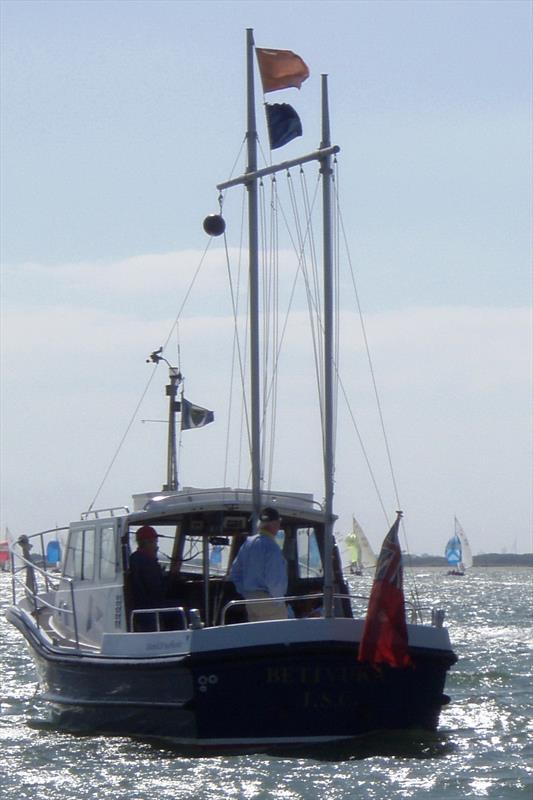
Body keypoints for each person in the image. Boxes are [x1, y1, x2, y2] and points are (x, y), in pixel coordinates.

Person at [229, 507, 288, 621]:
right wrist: (279, 601)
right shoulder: (272, 547)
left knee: (256, 635)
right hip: (269, 600)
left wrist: (246, 593)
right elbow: (274, 580)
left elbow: (235, 573)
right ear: (275, 524)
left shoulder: (248, 543)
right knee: (280, 635)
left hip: (250, 600)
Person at [129, 525, 179, 631]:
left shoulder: (134, 559)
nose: (157, 547)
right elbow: (158, 591)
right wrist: (172, 575)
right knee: (183, 608)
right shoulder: (147, 563)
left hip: (141, 605)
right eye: (155, 542)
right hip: (150, 606)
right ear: (147, 543)